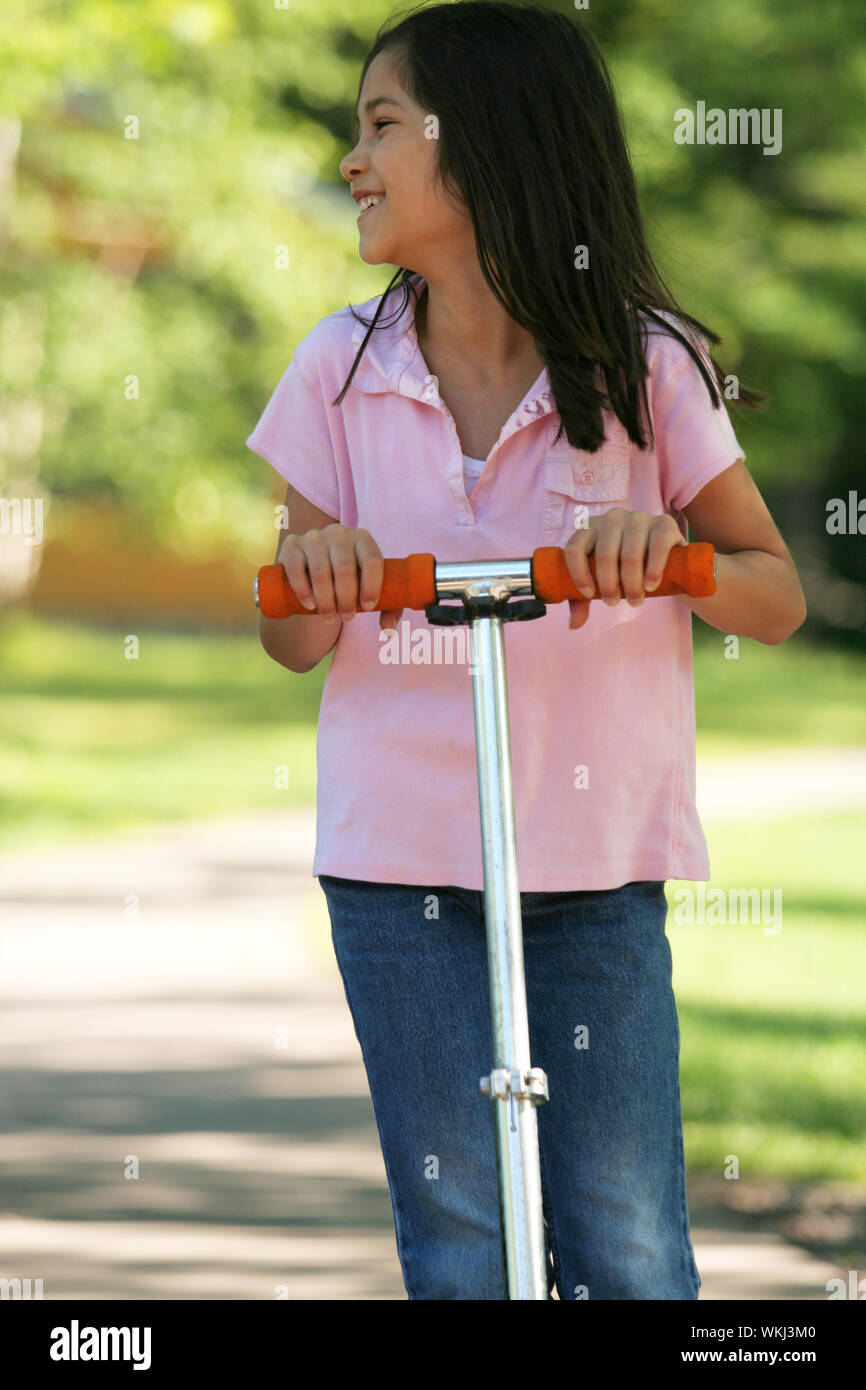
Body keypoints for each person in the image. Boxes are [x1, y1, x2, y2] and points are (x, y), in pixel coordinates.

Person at [246, 1, 806, 1300]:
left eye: (383, 125)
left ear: (488, 142)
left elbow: (773, 595)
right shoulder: (340, 368)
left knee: (624, 1241)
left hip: (593, 864)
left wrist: (671, 553)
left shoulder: (645, 367)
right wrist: (321, 574)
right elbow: (289, 633)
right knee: (461, 1236)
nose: (352, 159)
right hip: (398, 868)